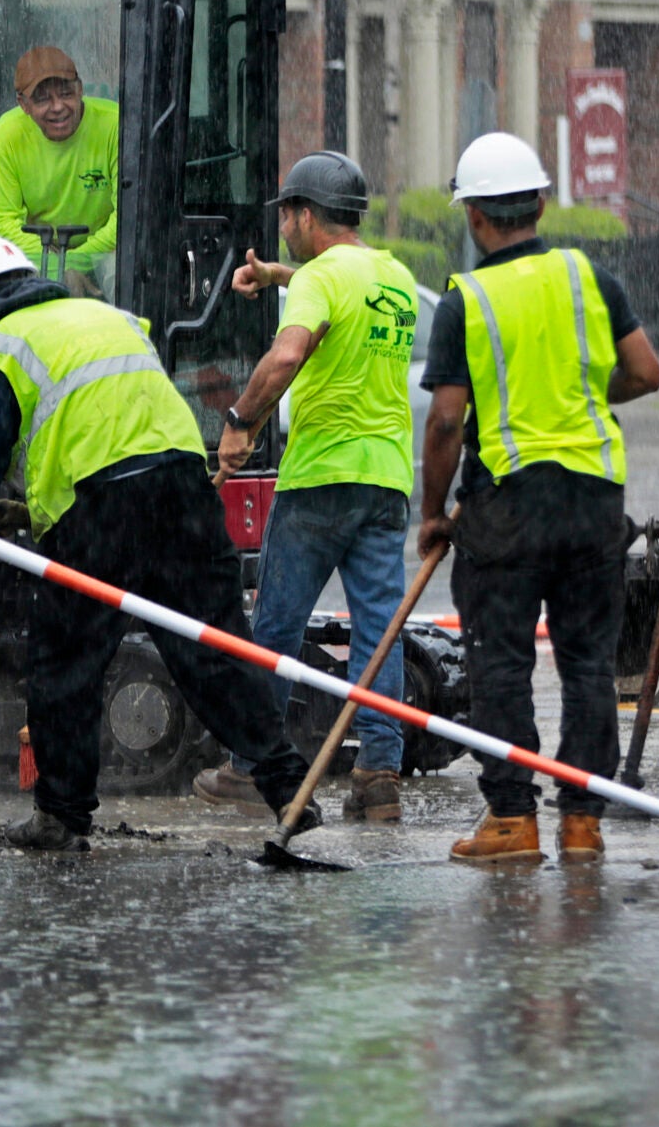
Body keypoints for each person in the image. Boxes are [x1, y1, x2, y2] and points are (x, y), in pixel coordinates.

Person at [0, 235, 317, 850]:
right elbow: (113, 415)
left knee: (66, 664)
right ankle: (289, 786)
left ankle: (63, 816)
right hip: (184, 489)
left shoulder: (0, 346)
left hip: (100, 510)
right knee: (214, 651)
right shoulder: (111, 318)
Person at [418, 133, 659, 865]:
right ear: (542, 203)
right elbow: (645, 372)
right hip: (593, 503)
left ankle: (513, 817)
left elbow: (445, 421)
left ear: (473, 217)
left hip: (509, 507)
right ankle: (582, 820)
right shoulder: (590, 276)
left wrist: (433, 513)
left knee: (501, 660)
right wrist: (583, 393)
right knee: (588, 662)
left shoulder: (469, 299)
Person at [191, 151, 419, 824]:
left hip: (321, 476)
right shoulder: (394, 276)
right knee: (380, 633)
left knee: (276, 625)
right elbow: (340, 290)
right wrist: (276, 275)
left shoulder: (323, 277)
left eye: (286, 216)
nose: (284, 226)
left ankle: (250, 763)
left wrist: (239, 421)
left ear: (306, 214)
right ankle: (379, 774)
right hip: (385, 481)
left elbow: (288, 353)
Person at [0, 45, 121, 296]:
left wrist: (76, 262)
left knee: (121, 271)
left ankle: (130, 335)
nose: (58, 106)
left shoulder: (115, 124)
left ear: (80, 89)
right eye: (42, 99)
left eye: (66, 93)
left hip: (105, 250)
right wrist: (53, 267)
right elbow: (3, 222)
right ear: (23, 104)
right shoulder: (7, 135)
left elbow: (126, 217)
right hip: (39, 255)